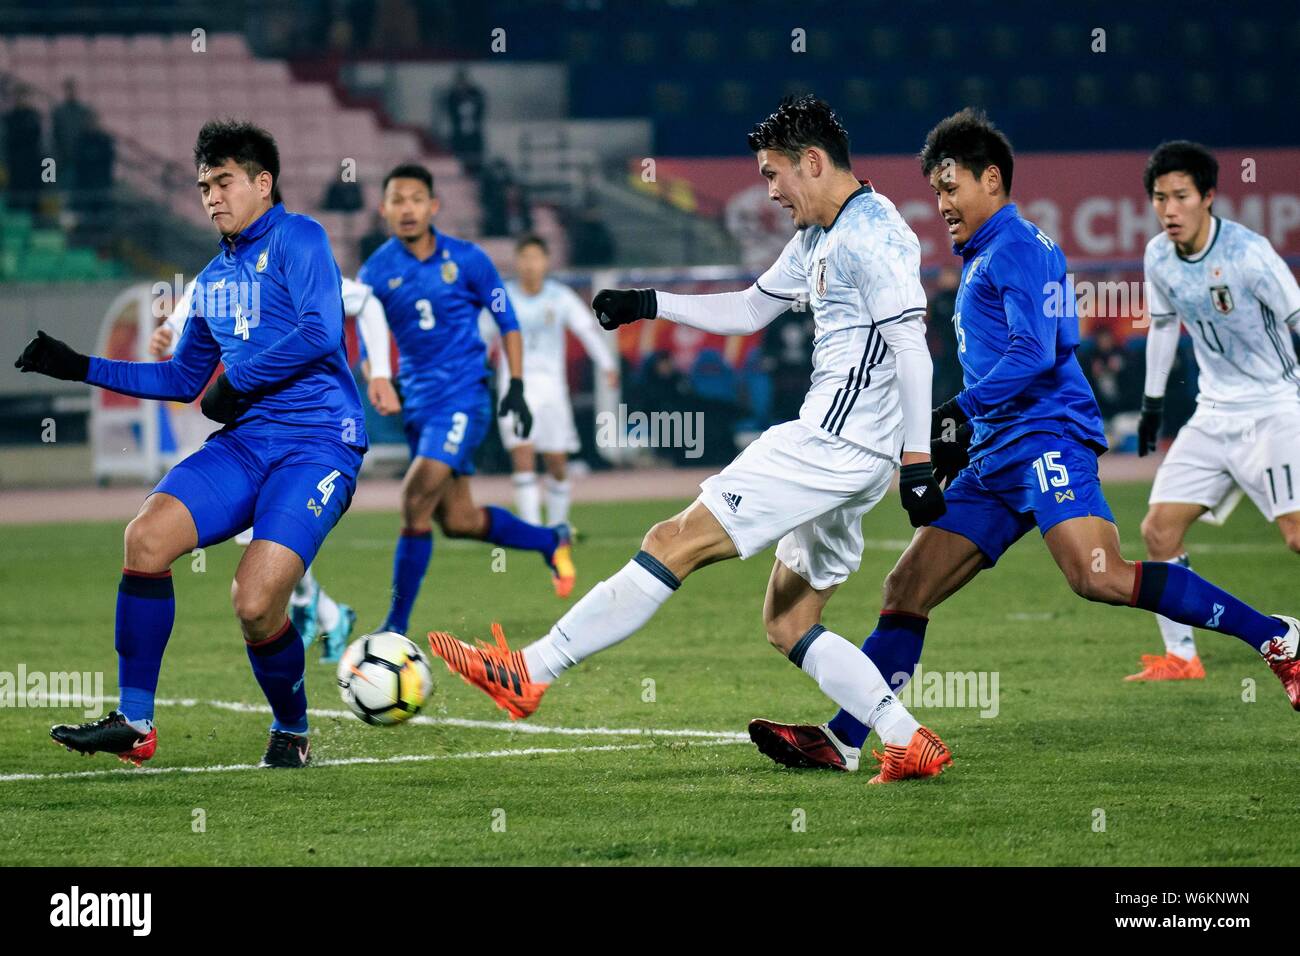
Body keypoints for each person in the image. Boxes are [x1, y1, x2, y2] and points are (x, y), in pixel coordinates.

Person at [747, 109, 1300, 774]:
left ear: (992, 180)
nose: (942, 203)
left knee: (1096, 575)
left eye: (952, 188)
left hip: (1044, 436)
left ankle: (1277, 637)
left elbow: (1035, 353)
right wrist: (965, 426)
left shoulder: (1019, 247)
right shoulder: (986, 254)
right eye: (936, 191)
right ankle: (845, 739)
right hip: (995, 452)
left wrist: (957, 412)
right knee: (906, 588)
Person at [427, 95, 954, 784]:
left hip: (831, 443)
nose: (769, 190)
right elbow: (750, 309)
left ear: (814, 163)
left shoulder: (874, 236)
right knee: (788, 621)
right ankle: (905, 737)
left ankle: (530, 671)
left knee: (669, 541)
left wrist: (918, 462)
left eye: (774, 174)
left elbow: (914, 350)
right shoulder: (822, 236)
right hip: (847, 453)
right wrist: (650, 301)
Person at [16, 120, 369, 768]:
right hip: (248, 442)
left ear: (264, 183)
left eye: (225, 182)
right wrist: (79, 366)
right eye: (205, 185)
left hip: (320, 443)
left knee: (255, 602)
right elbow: (183, 379)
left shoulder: (300, 238)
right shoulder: (211, 279)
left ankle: (292, 729)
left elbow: (321, 331)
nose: (212, 197)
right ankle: (137, 722)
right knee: (145, 539)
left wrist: (241, 378)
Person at [357, 163, 576, 640]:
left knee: (414, 498)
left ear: (433, 206)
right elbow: (364, 331)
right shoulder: (375, 271)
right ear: (385, 209)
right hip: (417, 403)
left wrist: (515, 385)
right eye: (397, 200)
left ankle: (394, 628)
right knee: (458, 521)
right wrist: (377, 375)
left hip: (463, 397)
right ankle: (549, 539)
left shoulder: (469, 259)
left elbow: (508, 320)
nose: (407, 208)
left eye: (416, 198)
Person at [146, 274, 397, 661]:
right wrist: (171, 328)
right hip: (252, 430)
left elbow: (368, 302)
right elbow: (199, 294)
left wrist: (379, 372)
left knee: (271, 539)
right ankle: (328, 614)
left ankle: (318, 613)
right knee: (254, 537)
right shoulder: (226, 270)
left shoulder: (298, 265)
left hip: (311, 436)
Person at [1130, 140, 1300, 680]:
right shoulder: (1158, 256)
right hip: (1213, 414)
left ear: (1208, 197)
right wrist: (1152, 404)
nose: (1169, 209)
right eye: (1160, 198)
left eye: (1181, 196)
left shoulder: (1249, 255)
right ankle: (1182, 657)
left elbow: (1297, 316)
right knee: (1159, 530)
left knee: (1297, 535)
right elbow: (1160, 327)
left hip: (1273, 408)